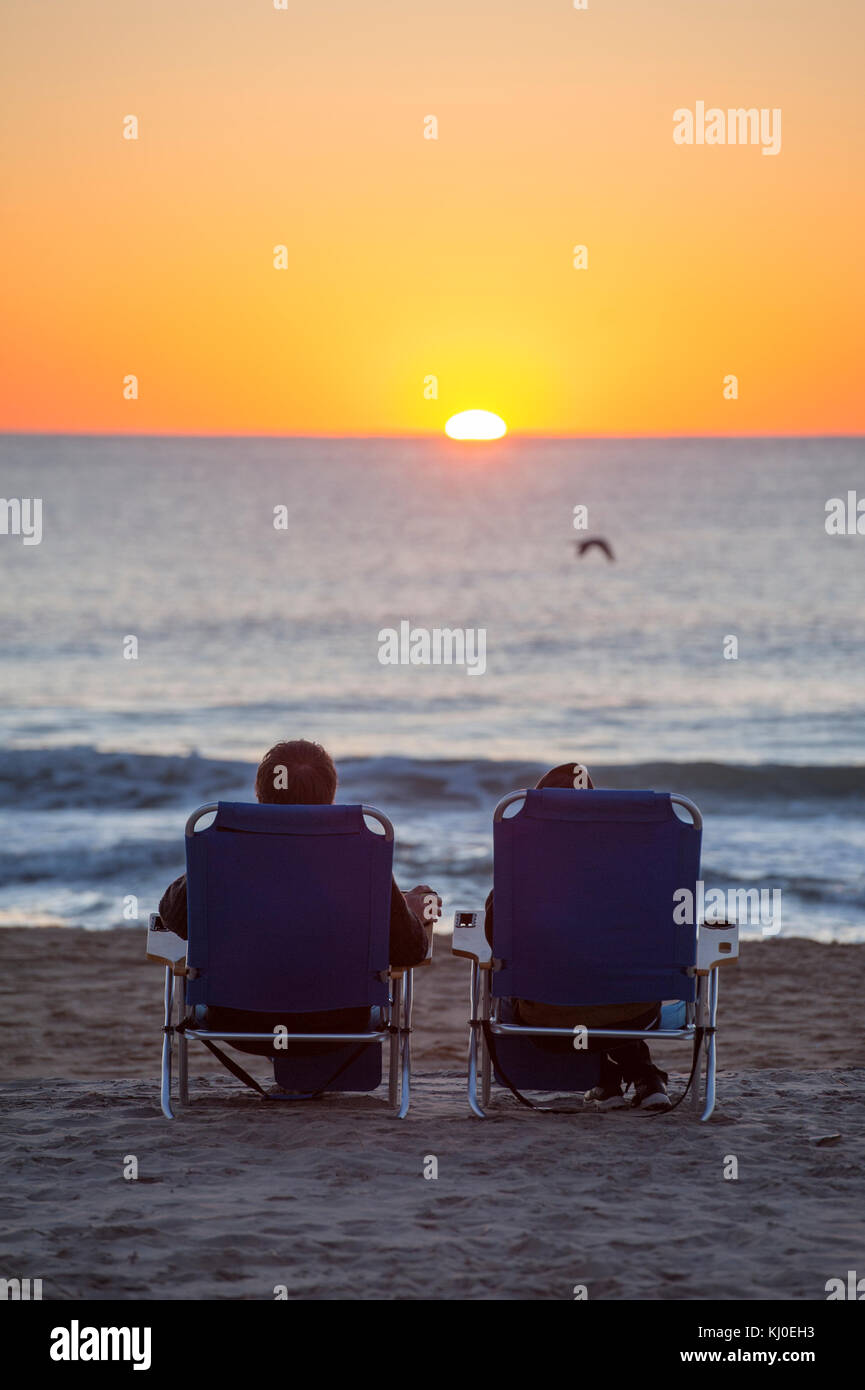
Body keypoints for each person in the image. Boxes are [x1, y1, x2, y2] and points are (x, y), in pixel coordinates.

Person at [157, 738, 440, 1046]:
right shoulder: (361, 853)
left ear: (260, 793)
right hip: (341, 1021)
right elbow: (409, 951)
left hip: (234, 1019)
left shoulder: (224, 851)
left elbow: (174, 915)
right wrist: (410, 911)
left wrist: (211, 856)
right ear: (331, 795)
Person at [484, 761, 671, 1112]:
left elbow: (497, 940)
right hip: (635, 1015)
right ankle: (642, 1078)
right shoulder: (638, 873)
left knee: (556, 983)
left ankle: (610, 1083)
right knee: (601, 983)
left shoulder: (521, 871)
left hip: (544, 1019)